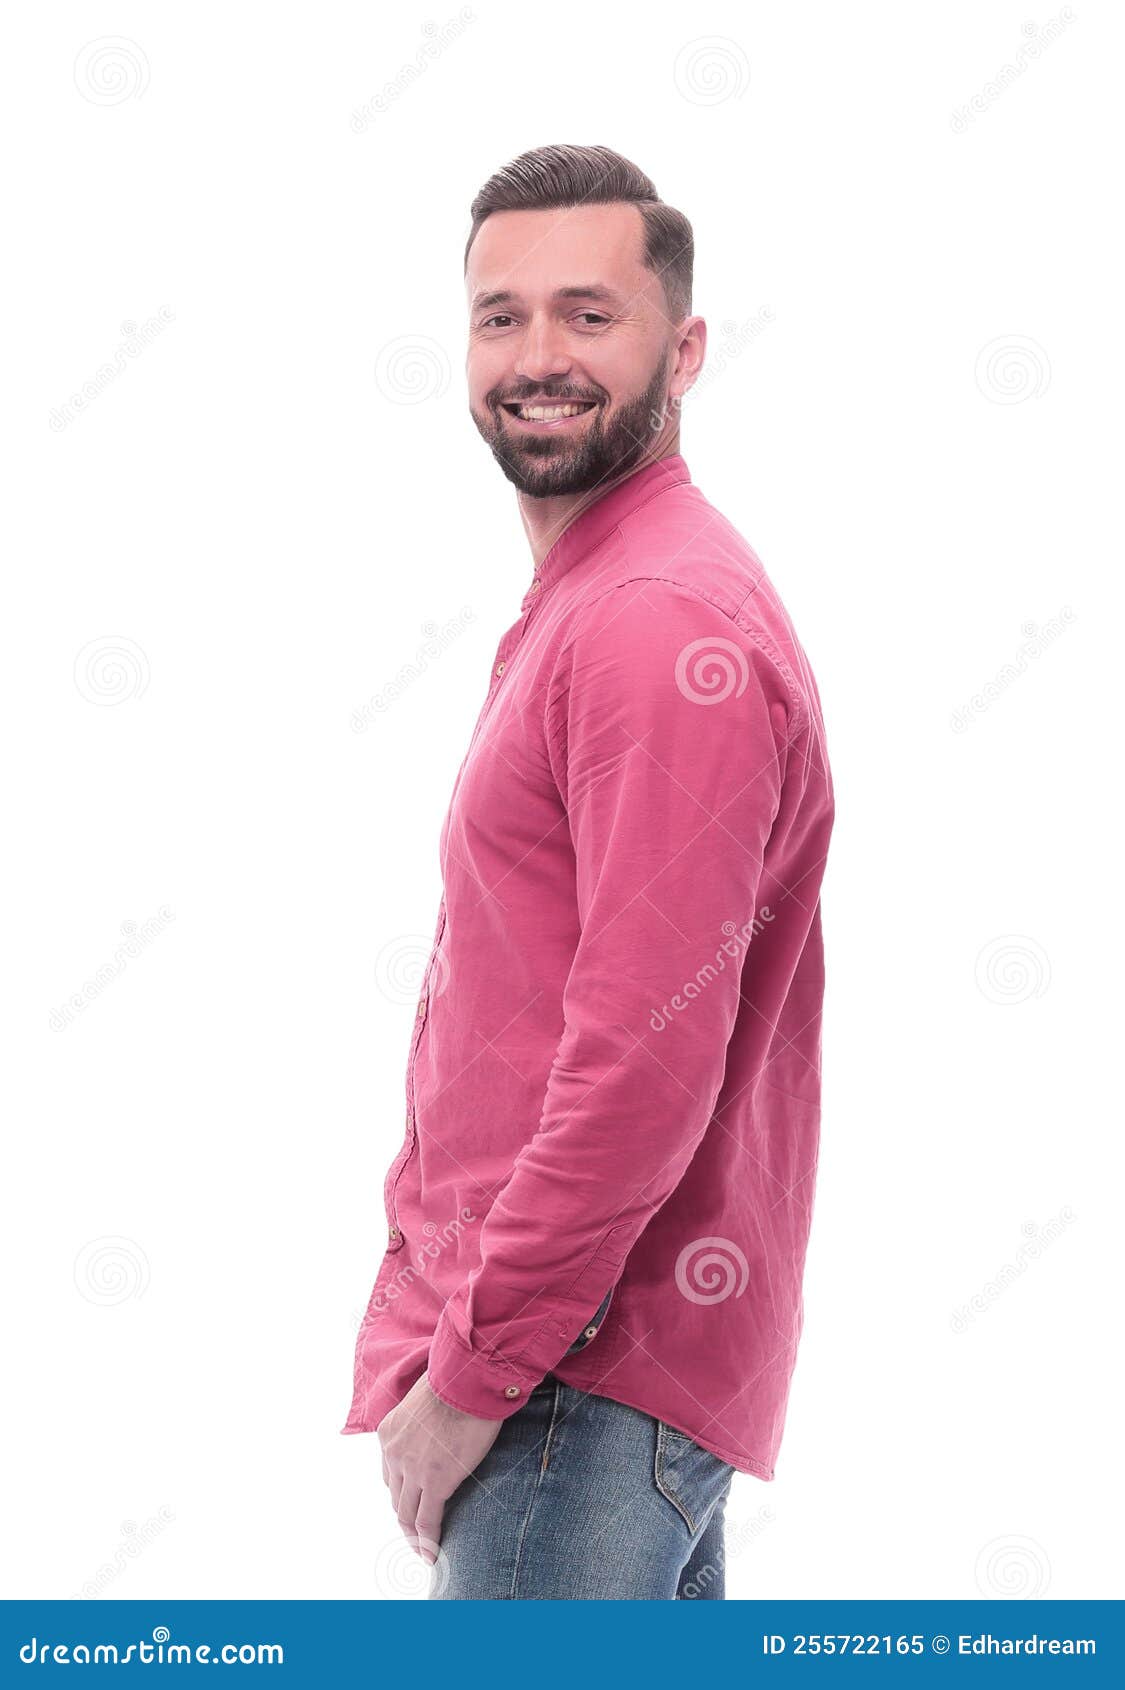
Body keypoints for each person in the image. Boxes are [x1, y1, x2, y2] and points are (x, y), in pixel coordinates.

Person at [343, 143, 835, 1601]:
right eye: (501, 317)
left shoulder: (648, 626)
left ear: (681, 347)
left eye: (587, 313)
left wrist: (476, 1374)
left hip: (571, 1378)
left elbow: (639, 1066)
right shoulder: (604, 598)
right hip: (598, 1376)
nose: (537, 356)